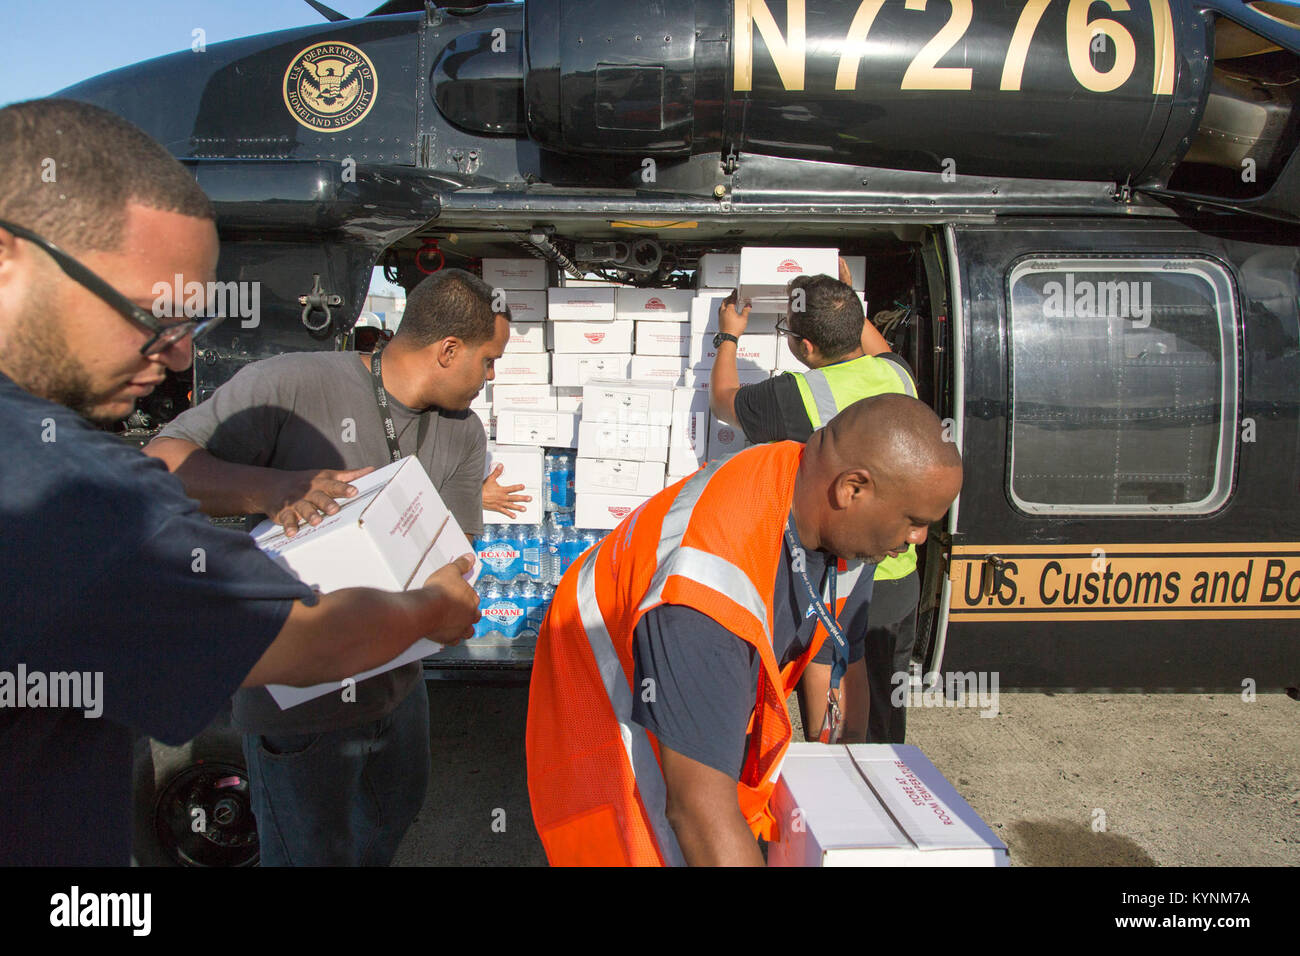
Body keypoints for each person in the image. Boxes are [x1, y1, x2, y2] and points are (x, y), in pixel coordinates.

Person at [0, 98, 480, 867]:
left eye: (192, 324)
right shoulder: (66, 494)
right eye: (154, 315)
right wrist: (432, 608)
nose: (182, 358)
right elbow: (304, 638)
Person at [144, 267, 508, 865]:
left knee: (390, 820)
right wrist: (274, 489)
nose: (489, 379)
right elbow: (163, 461)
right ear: (448, 350)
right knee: (308, 851)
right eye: (487, 360)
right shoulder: (290, 383)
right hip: (300, 703)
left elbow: (458, 543)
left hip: (398, 689)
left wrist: (446, 591)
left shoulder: (462, 432)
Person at [526, 394, 963, 866]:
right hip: (615, 765)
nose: (919, 539)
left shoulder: (839, 524)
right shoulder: (705, 586)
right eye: (915, 522)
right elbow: (697, 812)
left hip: (695, 739)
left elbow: (833, 676)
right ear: (852, 488)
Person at [709, 263, 921, 744]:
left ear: (805, 348)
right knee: (885, 707)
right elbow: (875, 346)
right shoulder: (897, 374)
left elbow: (723, 401)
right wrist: (845, 297)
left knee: (832, 670)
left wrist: (728, 337)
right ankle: (878, 785)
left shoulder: (794, 395)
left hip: (841, 580)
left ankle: (835, 780)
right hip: (898, 579)